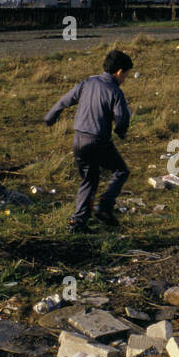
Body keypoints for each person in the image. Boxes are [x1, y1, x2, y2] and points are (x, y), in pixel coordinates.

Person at [44, 49, 133, 232]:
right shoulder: (115, 91)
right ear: (119, 72)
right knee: (121, 171)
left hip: (78, 141)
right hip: (98, 141)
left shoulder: (88, 82)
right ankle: (105, 205)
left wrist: (50, 117)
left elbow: (64, 101)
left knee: (89, 180)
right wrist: (121, 131)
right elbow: (122, 118)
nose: (125, 78)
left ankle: (77, 223)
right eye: (126, 74)